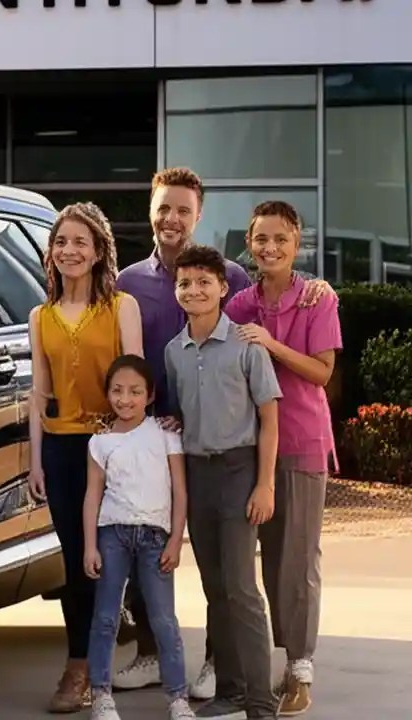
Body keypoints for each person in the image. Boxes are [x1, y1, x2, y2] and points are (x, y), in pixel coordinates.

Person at [113, 167, 333, 700]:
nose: (172, 218)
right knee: (184, 559)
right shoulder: (144, 284)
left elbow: (312, 365)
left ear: (199, 216)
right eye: (164, 208)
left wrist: (315, 287)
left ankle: (263, 666)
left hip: (264, 440)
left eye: (183, 210)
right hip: (177, 441)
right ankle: (180, 659)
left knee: (264, 566)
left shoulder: (264, 288)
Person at [226, 200, 343, 717]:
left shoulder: (318, 299)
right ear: (249, 244)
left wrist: (271, 345)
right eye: (261, 239)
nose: (270, 247)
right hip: (246, 446)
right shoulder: (239, 303)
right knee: (263, 560)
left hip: (300, 441)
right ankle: (247, 664)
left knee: (297, 559)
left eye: (281, 239)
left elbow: (321, 372)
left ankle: (300, 668)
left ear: (298, 244)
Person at [26, 202, 143, 713]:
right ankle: (80, 668)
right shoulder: (41, 316)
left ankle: (102, 659)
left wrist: (126, 441)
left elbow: (135, 381)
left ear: (98, 252)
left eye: (80, 242)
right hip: (61, 449)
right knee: (75, 561)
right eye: (61, 242)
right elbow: (38, 393)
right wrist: (35, 461)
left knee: (109, 559)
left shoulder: (121, 307)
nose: (69, 250)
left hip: (111, 446)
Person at [164, 244, 281, 720]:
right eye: (184, 283)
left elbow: (269, 419)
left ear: (223, 288)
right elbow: (182, 413)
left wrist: (265, 484)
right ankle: (230, 690)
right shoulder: (174, 352)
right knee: (215, 588)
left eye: (203, 282)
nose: (193, 290)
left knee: (241, 589)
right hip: (197, 475)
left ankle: (260, 702)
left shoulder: (247, 345)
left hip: (239, 472)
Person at [83, 354, 196, 720]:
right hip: (112, 534)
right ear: (107, 393)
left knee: (164, 619)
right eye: (117, 390)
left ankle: (178, 698)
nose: (125, 399)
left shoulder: (165, 434)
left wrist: (176, 539)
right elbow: (92, 496)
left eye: (135, 391)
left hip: (155, 538)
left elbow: (180, 490)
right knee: (105, 617)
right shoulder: (100, 443)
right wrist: (90, 546)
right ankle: (101, 695)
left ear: (150, 395)